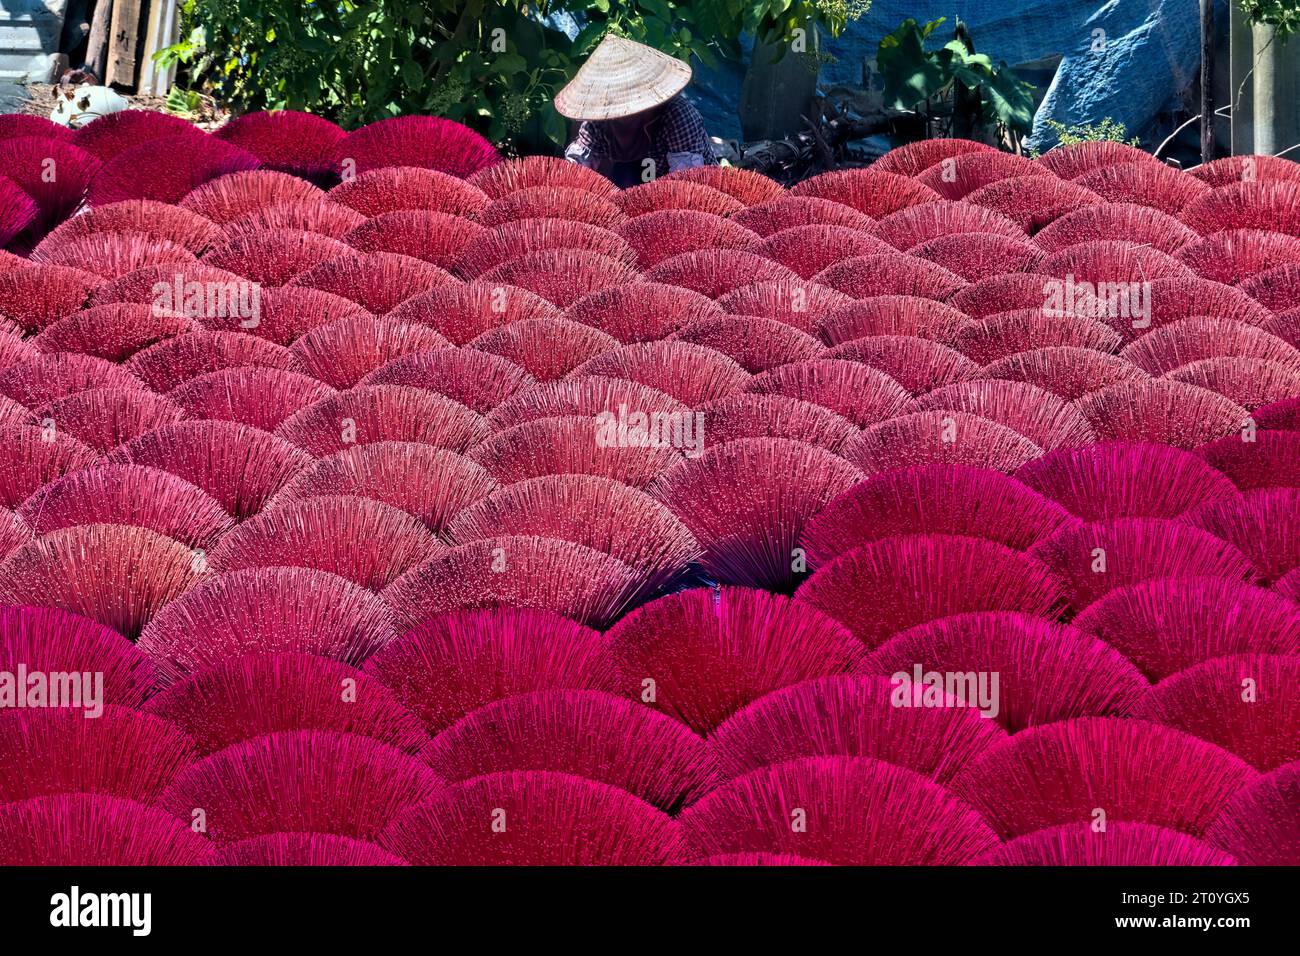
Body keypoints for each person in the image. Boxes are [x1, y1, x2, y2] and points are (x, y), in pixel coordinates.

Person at [555, 34, 717, 188]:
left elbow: (689, 185)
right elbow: (577, 168)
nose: (622, 115)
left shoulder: (678, 117)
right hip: (633, 179)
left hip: (681, 190)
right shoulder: (598, 123)